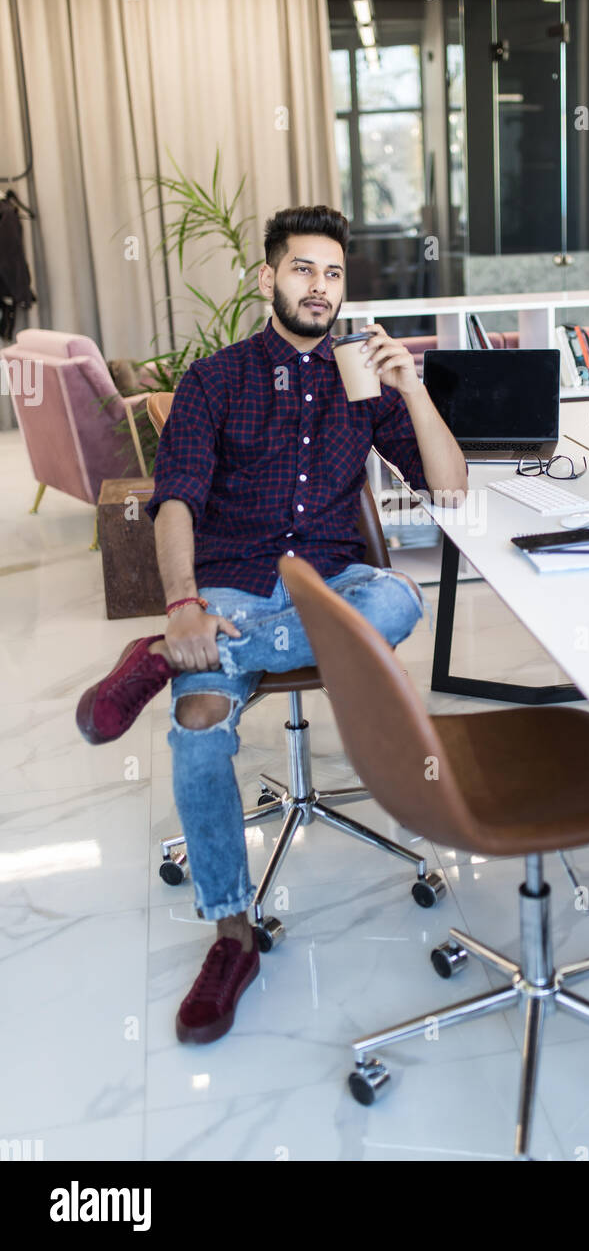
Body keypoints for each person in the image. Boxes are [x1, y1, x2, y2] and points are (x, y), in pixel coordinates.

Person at [77, 204, 468, 1043]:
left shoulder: (362, 377)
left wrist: (416, 389)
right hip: (231, 591)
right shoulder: (216, 382)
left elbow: (453, 492)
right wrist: (182, 602)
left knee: (398, 598)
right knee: (198, 721)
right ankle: (232, 934)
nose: (319, 287)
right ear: (268, 279)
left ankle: (157, 658)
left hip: (331, 585)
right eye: (302, 269)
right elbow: (174, 499)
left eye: (333, 273)